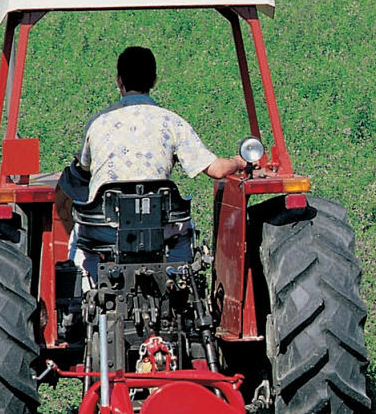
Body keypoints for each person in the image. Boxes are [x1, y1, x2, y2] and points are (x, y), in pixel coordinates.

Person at [55, 46, 246, 283]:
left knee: (81, 239)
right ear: (154, 80)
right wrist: (239, 161)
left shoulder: (98, 123)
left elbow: (84, 167)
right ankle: (177, 281)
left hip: (105, 229)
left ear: (119, 81)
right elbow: (216, 170)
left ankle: (85, 291)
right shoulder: (171, 121)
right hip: (159, 228)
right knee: (184, 232)